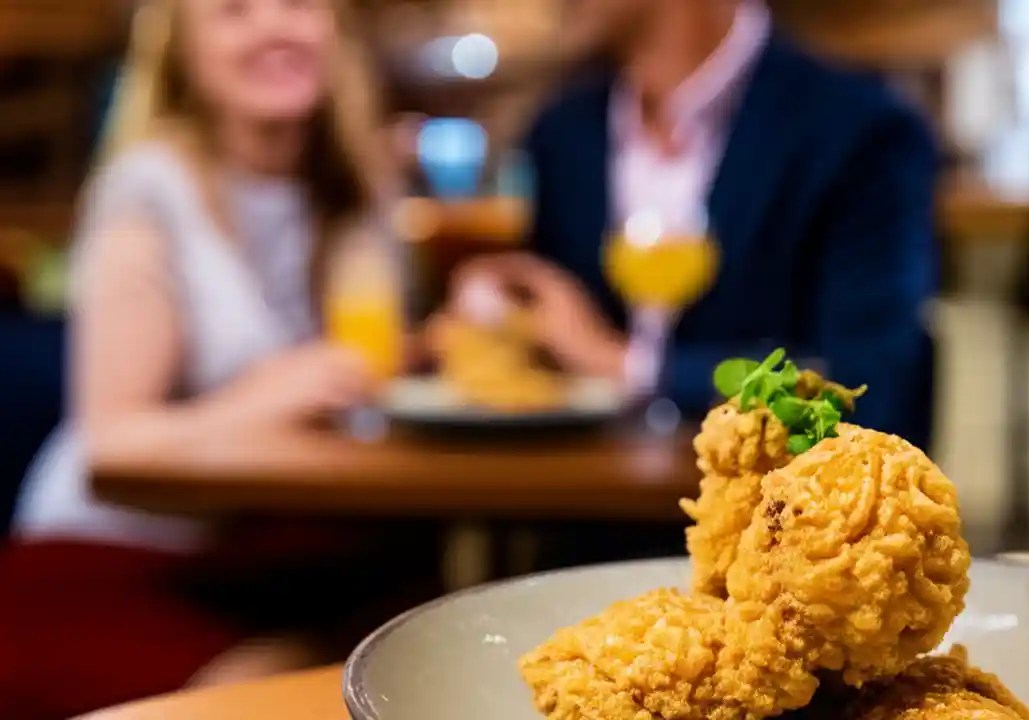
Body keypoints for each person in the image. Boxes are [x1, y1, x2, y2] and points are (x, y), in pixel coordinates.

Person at [0, 1, 416, 716]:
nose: (273, 28)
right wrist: (266, 397)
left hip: (278, 554)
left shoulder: (351, 186)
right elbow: (112, 442)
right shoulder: (148, 188)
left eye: (296, 4)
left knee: (418, 637)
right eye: (233, 11)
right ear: (182, 52)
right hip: (112, 556)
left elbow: (365, 373)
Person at [443, 0, 939, 448]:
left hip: (774, 525)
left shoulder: (862, 132)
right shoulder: (563, 133)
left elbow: (867, 384)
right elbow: (555, 355)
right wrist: (503, 309)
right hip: (585, 517)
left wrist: (632, 367)